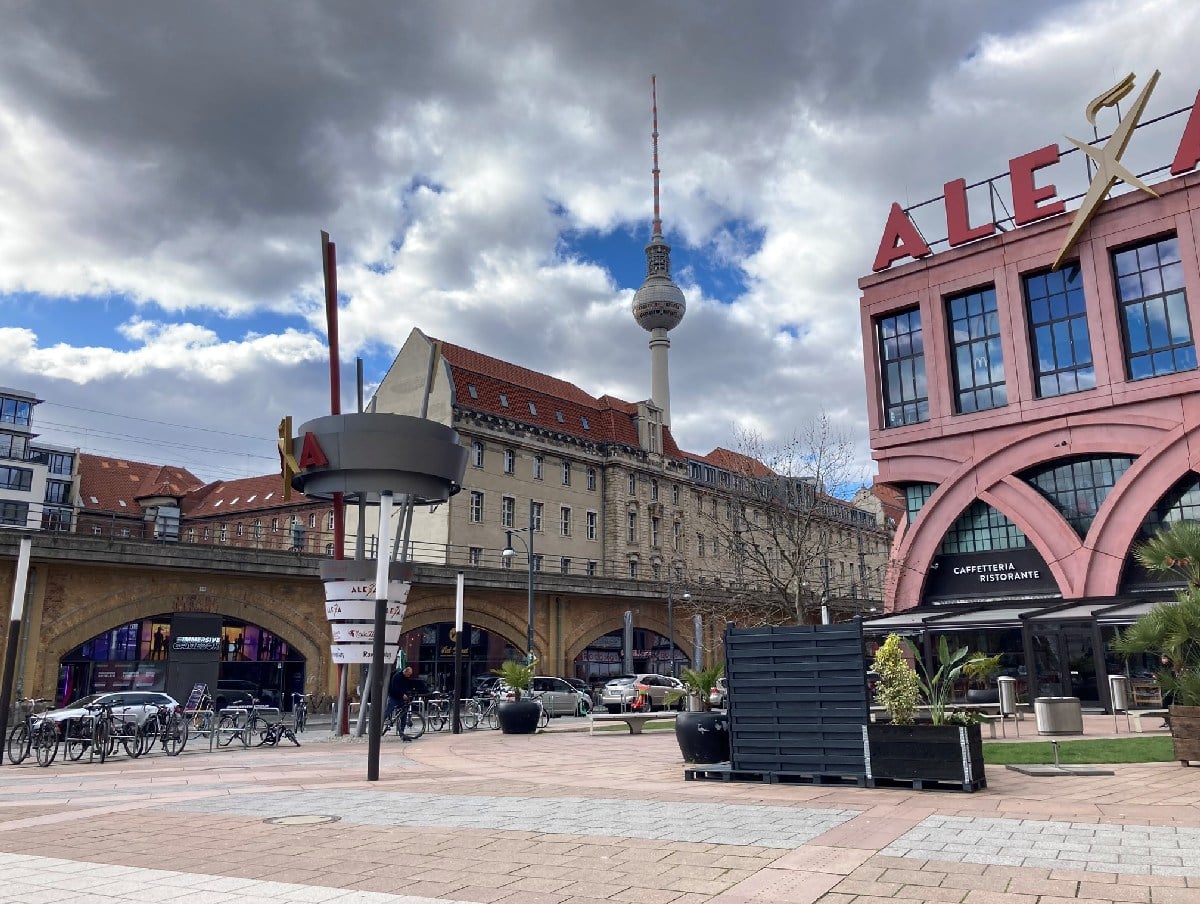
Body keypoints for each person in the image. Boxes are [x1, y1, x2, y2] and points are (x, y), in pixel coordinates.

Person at [386, 666, 424, 740]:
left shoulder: (406, 678)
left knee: (404, 715)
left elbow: (406, 688)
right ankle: (379, 727)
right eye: (409, 674)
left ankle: (402, 734)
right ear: (405, 671)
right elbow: (395, 688)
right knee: (388, 711)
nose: (409, 676)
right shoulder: (396, 676)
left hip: (402, 698)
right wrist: (402, 694)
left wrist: (409, 694)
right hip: (394, 697)